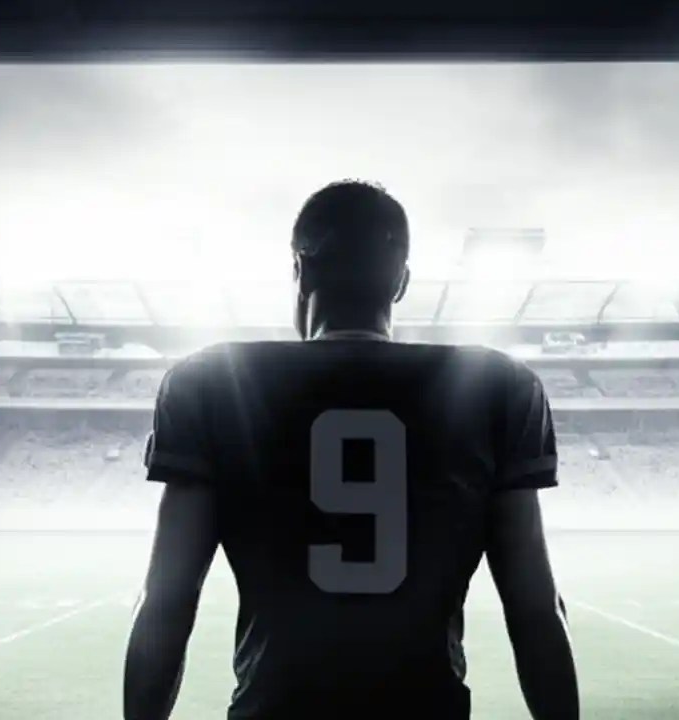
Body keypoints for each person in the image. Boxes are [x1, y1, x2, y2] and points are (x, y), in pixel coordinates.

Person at [123, 180, 579, 720]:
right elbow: (534, 609)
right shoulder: (498, 386)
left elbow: (166, 603)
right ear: (402, 282)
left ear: (299, 268)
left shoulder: (211, 382)